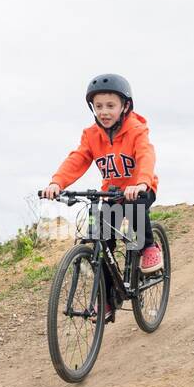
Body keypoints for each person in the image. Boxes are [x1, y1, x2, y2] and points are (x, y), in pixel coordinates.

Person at [39, 73, 163, 274]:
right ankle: (106, 299)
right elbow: (77, 158)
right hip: (111, 193)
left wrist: (141, 183)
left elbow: (145, 155)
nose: (104, 111)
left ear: (125, 106)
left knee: (134, 209)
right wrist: (57, 183)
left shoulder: (137, 130)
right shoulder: (91, 135)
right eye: (99, 106)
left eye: (110, 106)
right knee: (100, 240)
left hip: (139, 189)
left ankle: (148, 247)